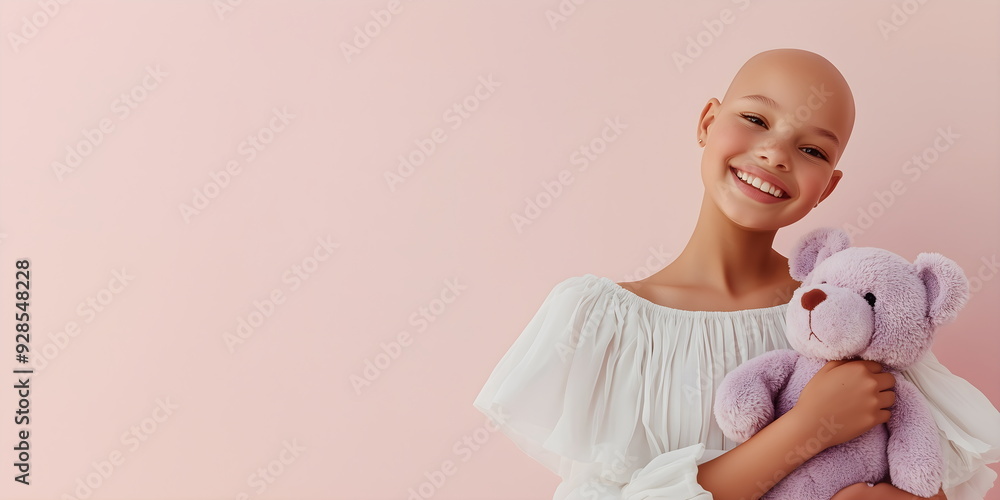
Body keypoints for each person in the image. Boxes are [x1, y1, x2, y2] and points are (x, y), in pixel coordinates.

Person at [472, 48, 1000, 499]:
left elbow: (925, 476)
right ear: (707, 122)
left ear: (828, 187)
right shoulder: (602, 323)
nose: (774, 153)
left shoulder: (854, 317)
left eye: (811, 149)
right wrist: (808, 429)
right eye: (756, 119)